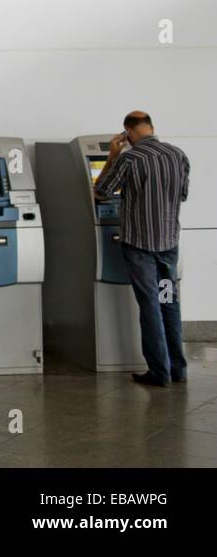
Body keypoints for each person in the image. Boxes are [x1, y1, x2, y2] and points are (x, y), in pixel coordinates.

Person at [94, 111, 190, 387]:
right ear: (151, 127)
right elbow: (183, 194)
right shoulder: (178, 155)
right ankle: (178, 369)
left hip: (140, 246)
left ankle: (159, 372)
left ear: (128, 133)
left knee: (150, 306)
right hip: (169, 245)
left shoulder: (130, 158)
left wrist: (111, 156)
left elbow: (101, 191)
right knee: (168, 302)